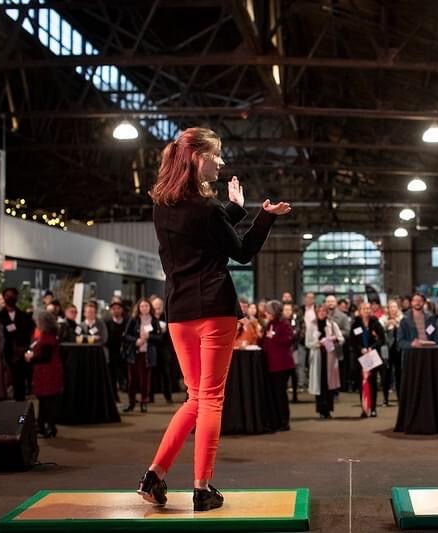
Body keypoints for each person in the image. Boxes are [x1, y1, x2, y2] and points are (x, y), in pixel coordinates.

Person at [137, 127, 291, 512]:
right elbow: (239, 252)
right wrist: (264, 217)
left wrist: (235, 209)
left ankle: (154, 474)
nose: (221, 161)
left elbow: (209, 233)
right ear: (196, 158)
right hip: (214, 311)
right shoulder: (205, 209)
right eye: (216, 154)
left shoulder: (162, 205)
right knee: (211, 400)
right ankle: (202, 488)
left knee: (194, 397)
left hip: (179, 312)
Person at [25, 312, 62, 438]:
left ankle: (48, 426)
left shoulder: (46, 337)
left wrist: (31, 358)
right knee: (46, 401)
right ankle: (44, 426)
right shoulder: (51, 335)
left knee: (46, 401)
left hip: (47, 372)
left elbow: (45, 357)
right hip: (48, 371)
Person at [0, 287, 35, 401]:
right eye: (7, 296)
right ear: (4, 297)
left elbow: (31, 334)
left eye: (12, 296)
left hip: (20, 355)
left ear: (16, 297)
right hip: (3, 356)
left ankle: (21, 418)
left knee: (20, 388)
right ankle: (2, 417)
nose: (10, 298)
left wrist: (25, 349)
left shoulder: (24, 316)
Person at [347, 302, 386, 417]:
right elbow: (352, 341)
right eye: (364, 308)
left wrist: (372, 348)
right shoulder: (355, 324)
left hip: (372, 356)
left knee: (372, 382)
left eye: (368, 308)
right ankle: (364, 408)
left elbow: (382, 339)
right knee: (361, 382)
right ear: (360, 311)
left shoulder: (375, 323)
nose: (367, 310)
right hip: (360, 357)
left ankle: (373, 408)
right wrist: (361, 349)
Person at [123, 298, 162, 413]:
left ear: (150, 307)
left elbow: (159, 338)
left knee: (145, 381)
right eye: (142, 306)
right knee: (132, 381)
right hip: (134, 354)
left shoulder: (154, 320)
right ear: (138, 308)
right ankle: (131, 403)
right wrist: (136, 341)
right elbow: (125, 335)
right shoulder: (134, 319)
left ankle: (144, 402)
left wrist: (149, 337)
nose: (144, 308)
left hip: (147, 355)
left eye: (146, 306)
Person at [262, 300, 296, 430]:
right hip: (271, 364)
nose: (266, 314)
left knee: (280, 394)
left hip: (282, 365)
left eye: (269, 311)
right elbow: (266, 340)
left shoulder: (284, 324)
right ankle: (275, 420)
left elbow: (288, 341)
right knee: (274, 394)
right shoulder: (270, 324)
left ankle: (284, 421)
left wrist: (273, 337)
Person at [306, 304, 343, 419]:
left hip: (330, 357)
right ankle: (321, 410)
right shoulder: (312, 325)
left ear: (327, 313)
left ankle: (328, 410)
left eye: (324, 311)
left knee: (329, 385)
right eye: (319, 311)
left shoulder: (332, 324)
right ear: (316, 312)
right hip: (317, 356)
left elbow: (341, 339)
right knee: (320, 384)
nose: (322, 313)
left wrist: (334, 338)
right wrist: (318, 343)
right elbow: (307, 343)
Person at [151, 296, 175, 404]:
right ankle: (150, 397)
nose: (157, 307)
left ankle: (168, 397)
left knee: (166, 373)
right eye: (155, 305)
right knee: (151, 374)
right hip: (152, 349)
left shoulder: (166, 317)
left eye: (159, 305)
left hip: (165, 349)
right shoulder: (149, 318)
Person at [325, 294, 353, 391]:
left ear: (336, 303)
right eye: (328, 301)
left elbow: (348, 331)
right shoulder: (322, 315)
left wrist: (336, 334)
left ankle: (339, 388)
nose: (330, 303)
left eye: (332, 301)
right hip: (325, 346)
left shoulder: (343, 316)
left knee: (339, 367)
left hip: (338, 346)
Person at [379, 299, 403, 404]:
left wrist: (397, 324)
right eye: (391, 307)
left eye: (394, 307)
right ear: (387, 309)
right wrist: (386, 325)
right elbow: (379, 333)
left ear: (398, 308)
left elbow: (406, 331)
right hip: (386, 350)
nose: (393, 309)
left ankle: (400, 397)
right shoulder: (382, 319)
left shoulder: (402, 318)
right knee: (386, 374)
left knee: (399, 374)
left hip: (398, 349)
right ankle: (385, 398)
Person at [105, 300, 127, 401]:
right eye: (114, 309)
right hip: (113, 352)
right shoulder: (107, 322)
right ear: (111, 311)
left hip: (125, 352)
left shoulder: (127, 321)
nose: (116, 311)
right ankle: (115, 396)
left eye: (118, 308)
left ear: (121, 310)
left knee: (126, 375)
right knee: (113, 376)